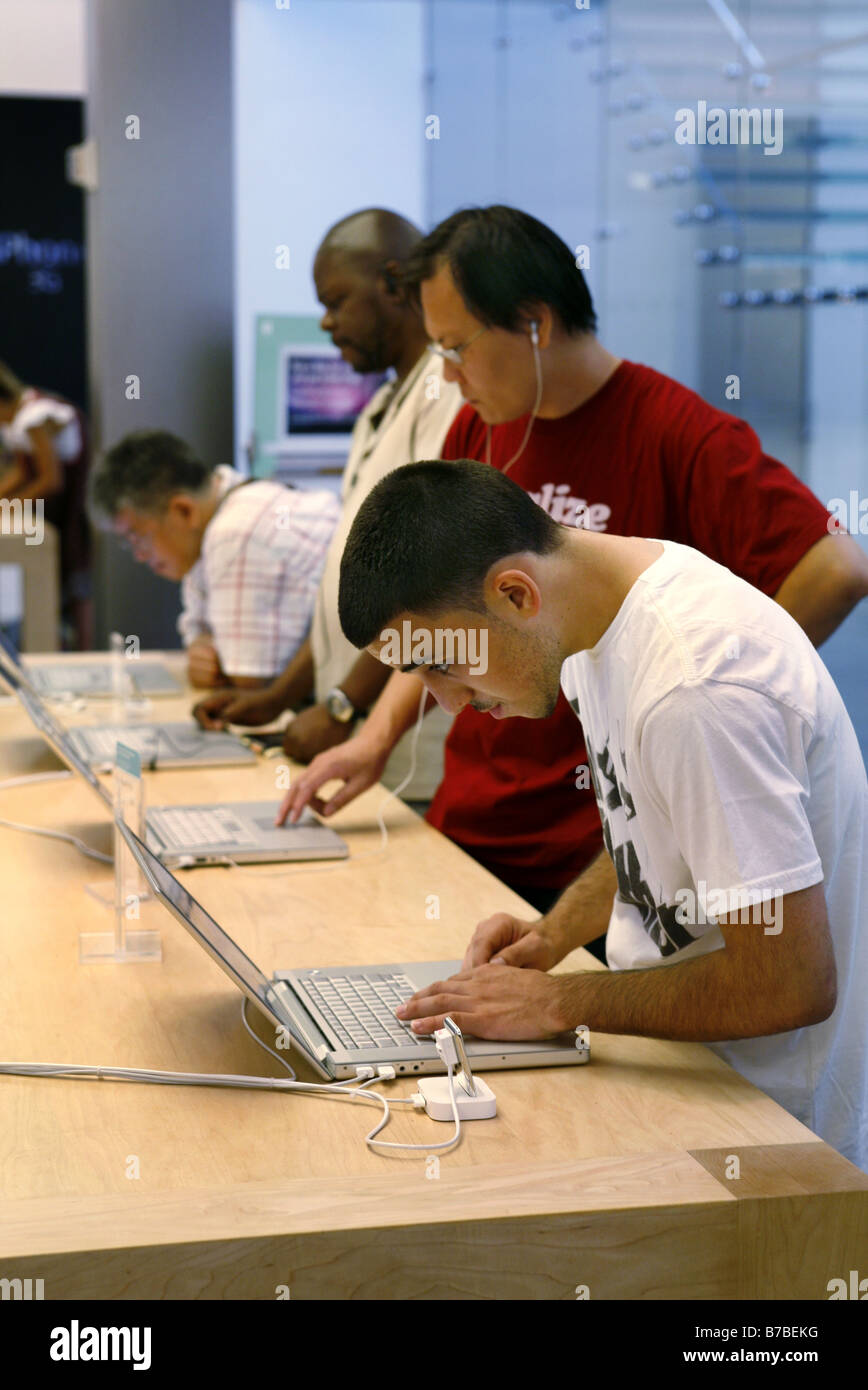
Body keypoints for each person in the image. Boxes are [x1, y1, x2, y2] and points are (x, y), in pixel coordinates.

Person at [277, 205, 868, 954]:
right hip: (479, 813)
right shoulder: (482, 429)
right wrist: (375, 735)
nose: (452, 380)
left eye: (457, 349)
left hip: (594, 848)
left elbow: (838, 566)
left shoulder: (673, 432)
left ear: (533, 324)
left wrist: (724, 675)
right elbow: (434, 616)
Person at [342, 457, 868, 1170]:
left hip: (772, 1132)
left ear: (515, 594)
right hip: (672, 1074)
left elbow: (789, 983)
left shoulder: (698, 687)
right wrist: (549, 937)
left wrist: (556, 1003)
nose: (448, 702)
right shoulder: (594, 618)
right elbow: (648, 832)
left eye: (442, 664)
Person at [194, 208, 463, 800]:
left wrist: (344, 705)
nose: (325, 321)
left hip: (413, 754)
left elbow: (431, 582)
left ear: (394, 284)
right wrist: (280, 696)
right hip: (357, 738)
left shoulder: (448, 395)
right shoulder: (379, 409)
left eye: (337, 300)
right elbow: (348, 595)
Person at [89, 429, 338, 690]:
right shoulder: (218, 507)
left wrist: (214, 662)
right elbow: (198, 628)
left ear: (183, 511)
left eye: (137, 538)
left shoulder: (235, 532)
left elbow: (249, 683)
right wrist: (200, 648)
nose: (139, 556)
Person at [0, 359, 92, 648]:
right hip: (51, 511)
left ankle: (80, 650)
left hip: (68, 512)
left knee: (75, 581)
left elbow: (51, 480)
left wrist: (9, 506)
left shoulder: (36, 416)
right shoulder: (16, 422)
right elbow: (22, 472)